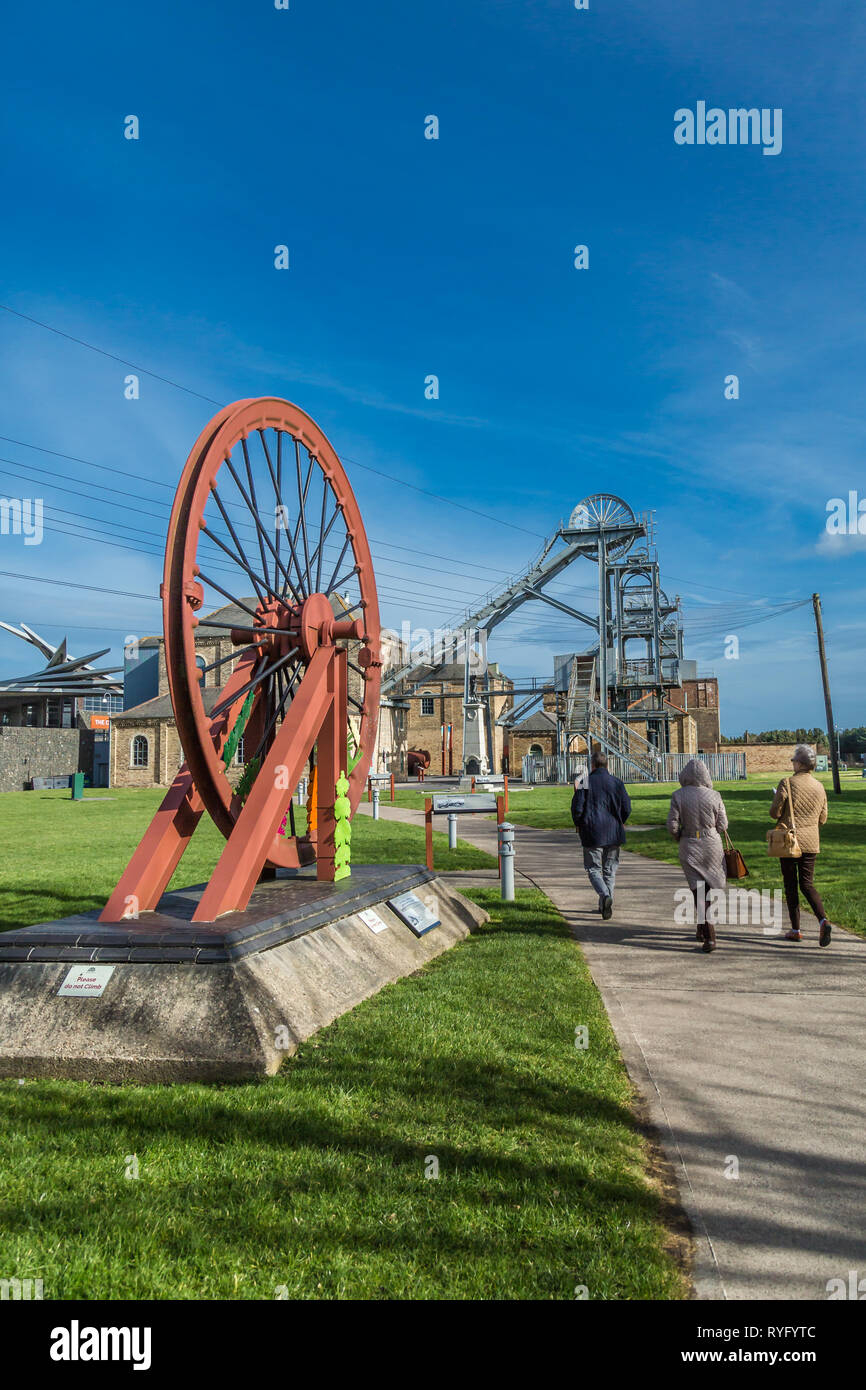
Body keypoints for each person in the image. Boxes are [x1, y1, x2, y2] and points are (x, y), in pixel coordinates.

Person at [770, 744, 832, 946]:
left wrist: (777, 801)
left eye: (793, 760)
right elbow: (823, 819)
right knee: (807, 883)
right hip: (811, 841)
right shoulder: (819, 786)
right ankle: (823, 920)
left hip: (789, 841)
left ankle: (796, 929)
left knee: (790, 885)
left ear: (800, 763)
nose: (792, 763)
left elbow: (775, 813)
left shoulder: (786, 783)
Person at [666, 758, 729, 953]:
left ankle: (709, 935)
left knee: (697, 892)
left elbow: (672, 824)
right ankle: (702, 929)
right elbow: (723, 824)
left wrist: (679, 836)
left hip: (690, 845)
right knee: (708, 890)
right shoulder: (715, 795)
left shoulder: (678, 796)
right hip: (712, 846)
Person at [571, 750, 631, 919]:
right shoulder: (617, 783)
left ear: (593, 765)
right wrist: (620, 820)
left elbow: (577, 808)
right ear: (607, 765)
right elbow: (627, 807)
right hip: (613, 832)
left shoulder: (585, 782)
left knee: (593, 869)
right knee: (610, 870)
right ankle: (605, 905)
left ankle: (605, 897)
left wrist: (579, 823)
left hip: (592, 832)